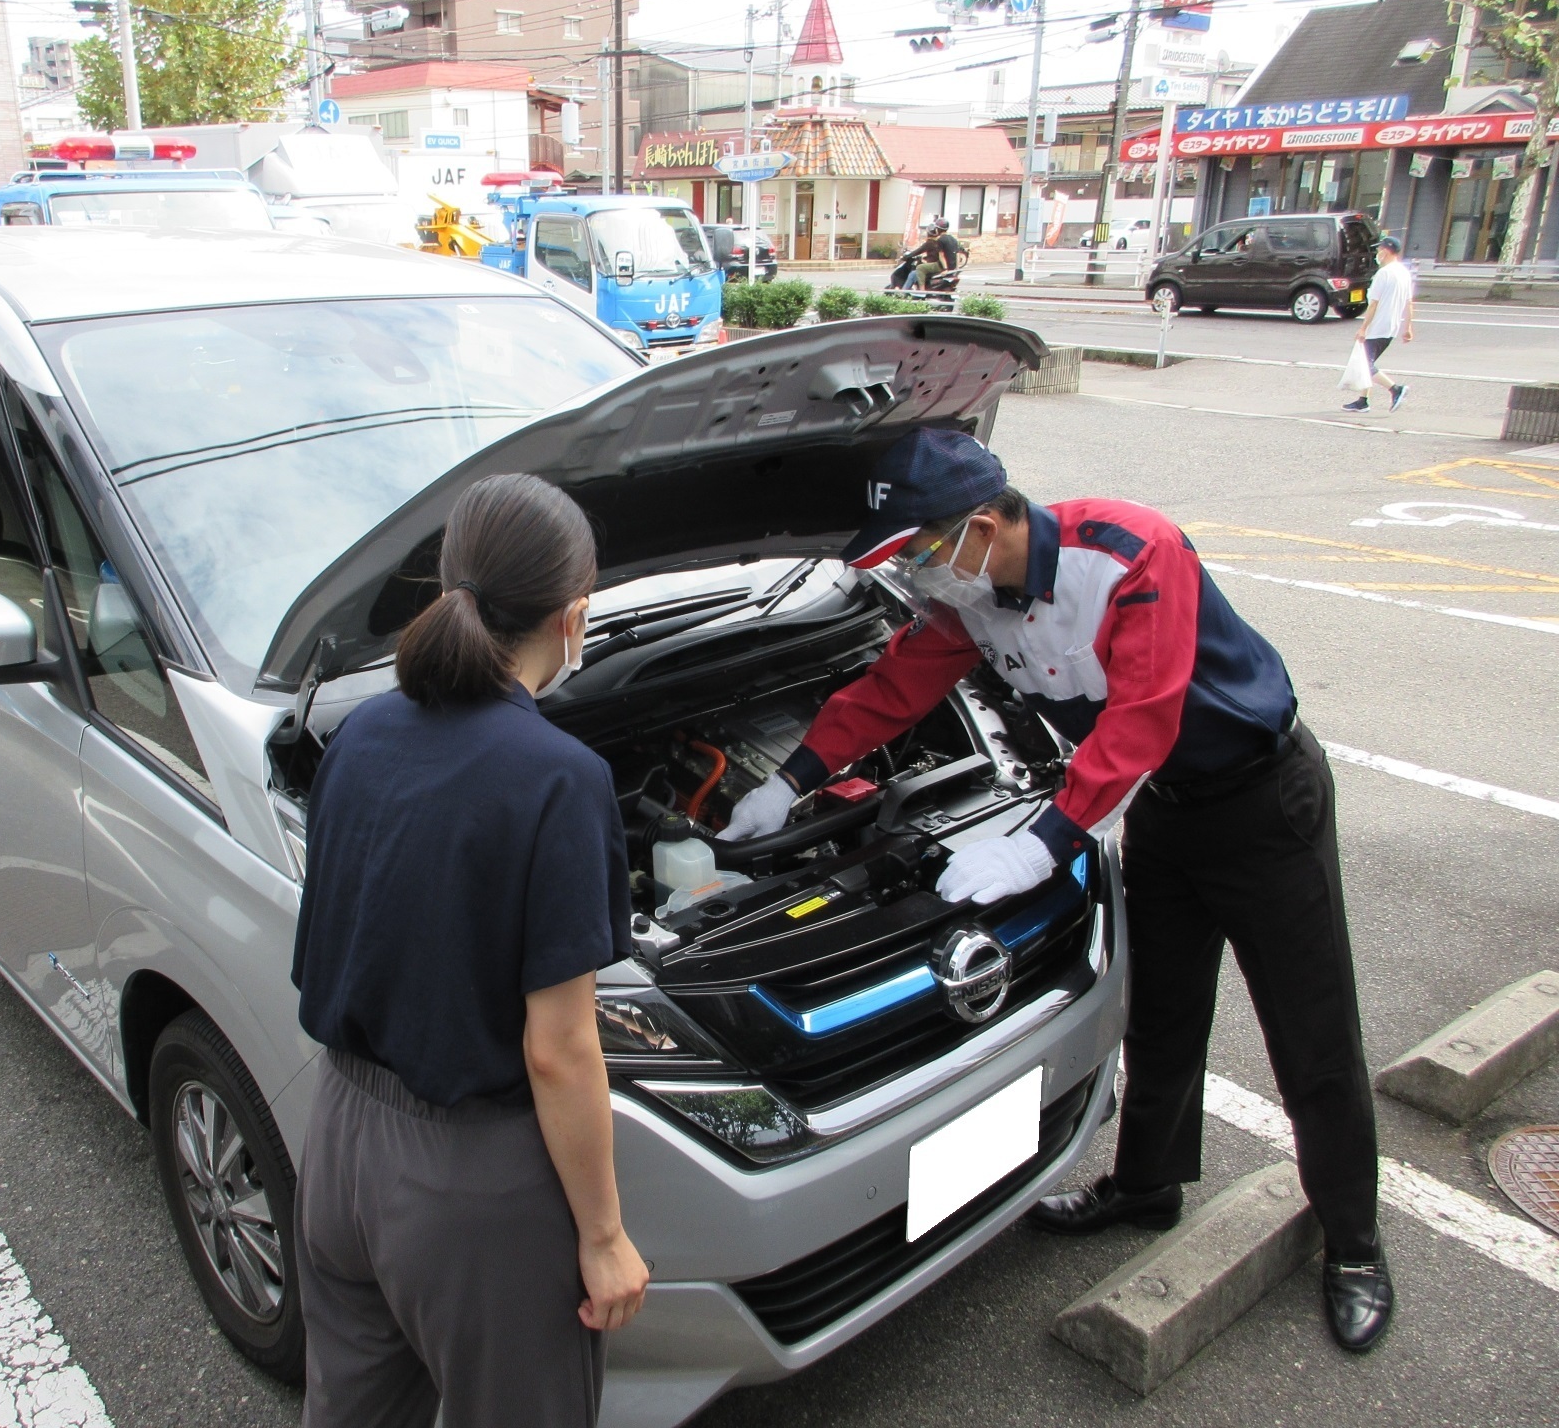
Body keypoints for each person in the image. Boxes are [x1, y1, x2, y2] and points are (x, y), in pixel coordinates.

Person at [718, 428, 1395, 1354]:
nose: (918, 581)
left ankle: (1353, 1241)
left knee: (1311, 1034)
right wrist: (791, 779)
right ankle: (1148, 1185)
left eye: (921, 555)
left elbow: (1142, 722)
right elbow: (893, 690)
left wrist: (1041, 846)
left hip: (1262, 800)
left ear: (989, 523)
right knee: (1161, 1014)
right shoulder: (969, 596)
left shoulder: (1130, 553)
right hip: (1160, 810)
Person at [291, 474, 649, 1427]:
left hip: (339, 1144)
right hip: (470, 1187)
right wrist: (605, 1235)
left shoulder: (358, 735)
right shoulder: (561, 781)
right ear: (574, 615)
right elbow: (560, 1048)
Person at [1344, 234, 1413, 414]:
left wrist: (1363, 328)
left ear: (1386, 251)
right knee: (1367, 362)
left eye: (1380, 249)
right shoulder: (1404, 273)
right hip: (1392, 327)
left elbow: (1373, 303)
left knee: (1365, 364)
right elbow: (1409, 302)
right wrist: (1408, 328)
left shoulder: (1383, 274)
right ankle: (1363, 400)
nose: (1377, 252)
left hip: (1378, 326)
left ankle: (1395, 389)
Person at [917, 220, 965, 288]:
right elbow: (957, 254)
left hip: (941, 266)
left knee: (920, 267)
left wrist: (945, 269)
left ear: (937, 229)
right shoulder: (953, 239)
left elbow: (941, 255)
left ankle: (922, 290)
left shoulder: (940, 240)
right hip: (953, 267)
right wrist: (956, 268)